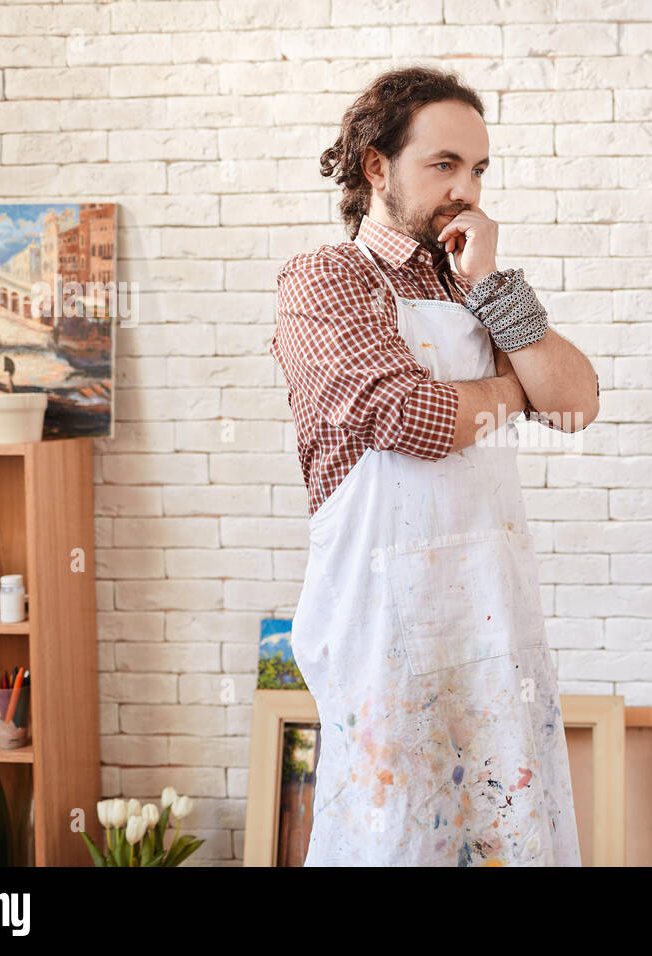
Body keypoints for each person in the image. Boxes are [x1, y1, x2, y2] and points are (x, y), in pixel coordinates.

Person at [271, 65, 599, 866]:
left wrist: (490, 285)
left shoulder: (475, 286)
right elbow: (411, 418)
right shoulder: (327, 281)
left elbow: (575, 401)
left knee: (506, 835)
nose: (467, 189)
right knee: (394, 836)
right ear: (377, 167)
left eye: (479, 168)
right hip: (385, 631)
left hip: (492, 622)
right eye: (444, 165)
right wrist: (511, 391)